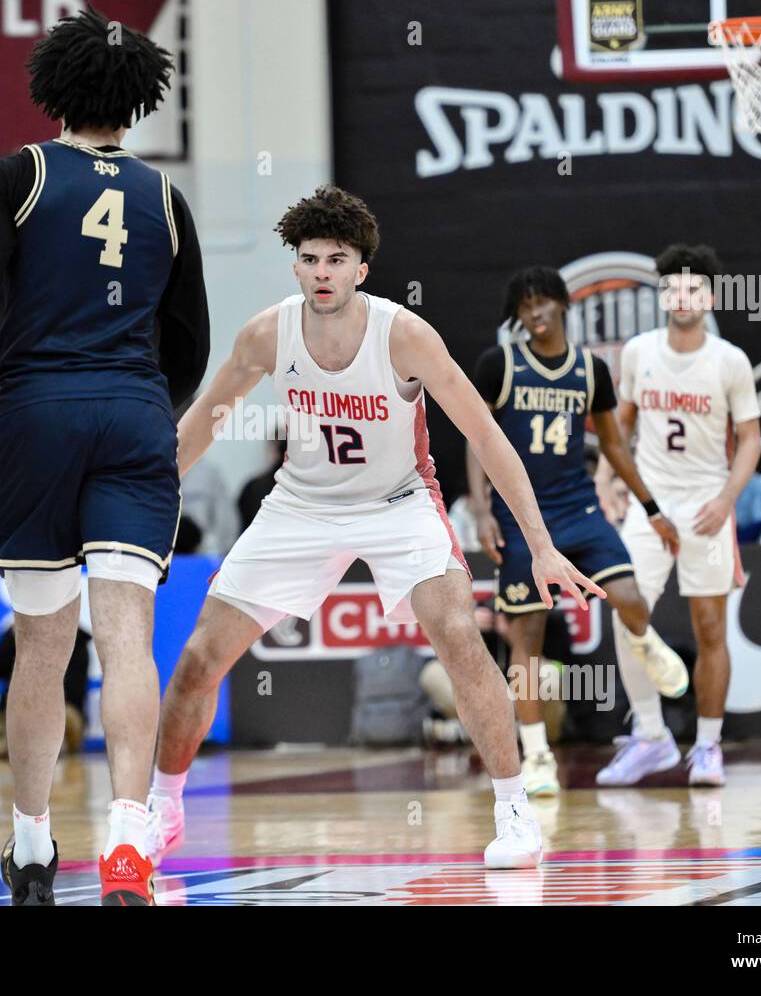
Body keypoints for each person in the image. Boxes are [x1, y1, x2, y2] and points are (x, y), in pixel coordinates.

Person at [143, 186, 604, 872]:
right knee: (200, 660)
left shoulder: (404, 334)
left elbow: (486, 433)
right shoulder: (268, 334)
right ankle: (162, 805)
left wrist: (540, 545)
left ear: (362, 269)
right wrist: (140, 497)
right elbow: (204, 421)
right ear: (295, 267)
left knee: (457, 632)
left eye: (337, 259)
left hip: (399, 502)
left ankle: (514, 808)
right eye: (309, 259)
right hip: (300, 504)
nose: (322, 271)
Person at [0, 6, 210, 906]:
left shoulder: (16, 175)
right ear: (139, 99)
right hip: (139, 416)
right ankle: (130, 840)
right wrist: (143, 408)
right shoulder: (165, 199)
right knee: (128, 638)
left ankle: (30, 848)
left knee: (41, 644)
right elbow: (193, 344)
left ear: (49, 86)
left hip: (40, 416)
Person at [469, 266, 686, 796]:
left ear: (564, 304)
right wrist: (480, 508)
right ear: (516, 316)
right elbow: (476, 435)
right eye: (525, 306)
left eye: (543, 301)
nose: (535, 312)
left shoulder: (591, 370)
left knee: (630, 595)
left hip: (579, 509)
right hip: (523, 518)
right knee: (528, 638)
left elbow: (614, 446)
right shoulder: (501, 365)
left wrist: (651, 506)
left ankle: (646, 641)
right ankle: (537, 755)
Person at [597, 244, 761, 787]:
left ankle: (708, 747)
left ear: (710, 297)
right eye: (672, 288)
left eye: (692, 288)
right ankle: (650, 736)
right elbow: (617, 424)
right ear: (661, 295)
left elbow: (751, 440)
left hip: (707, 508)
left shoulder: (729, 360)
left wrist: (728, 498)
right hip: (650, 505)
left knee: (710, 626)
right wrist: (608, 480)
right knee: (627, 613)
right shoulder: (639, 352)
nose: (682, 296)